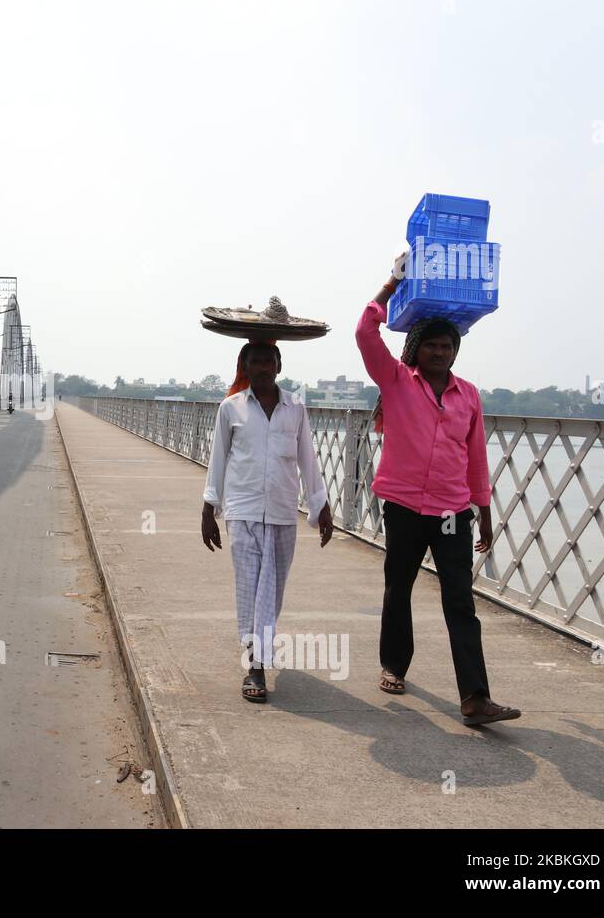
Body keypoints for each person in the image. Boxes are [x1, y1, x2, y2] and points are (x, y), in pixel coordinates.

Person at [356, 259, 521, 726]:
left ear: (455, 351)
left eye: (447, 346)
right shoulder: (395, 382)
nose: (439, 352)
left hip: (452, 512)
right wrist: (390, 284)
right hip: (405, 506)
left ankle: (475, 698)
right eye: (430, 345)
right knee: (398, 588)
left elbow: (476, 458)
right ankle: (394, 665)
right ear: (415, 348)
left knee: (460, 602)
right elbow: (365, 335)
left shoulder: (468, 395)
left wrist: (484, 512)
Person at [201, 340, 333, 702]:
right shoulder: (231, 409)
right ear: (245, 366)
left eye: (268, 361)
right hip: (242, 509)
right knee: (249, 587)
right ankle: (255, 666)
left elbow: (308, 459)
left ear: (278, 365)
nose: (262, 367)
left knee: (272, 591)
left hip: (282, 511)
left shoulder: (295, 409)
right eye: (254, 361)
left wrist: (321, 506)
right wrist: (209, 509)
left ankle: (259, 651)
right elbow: (218, 460)